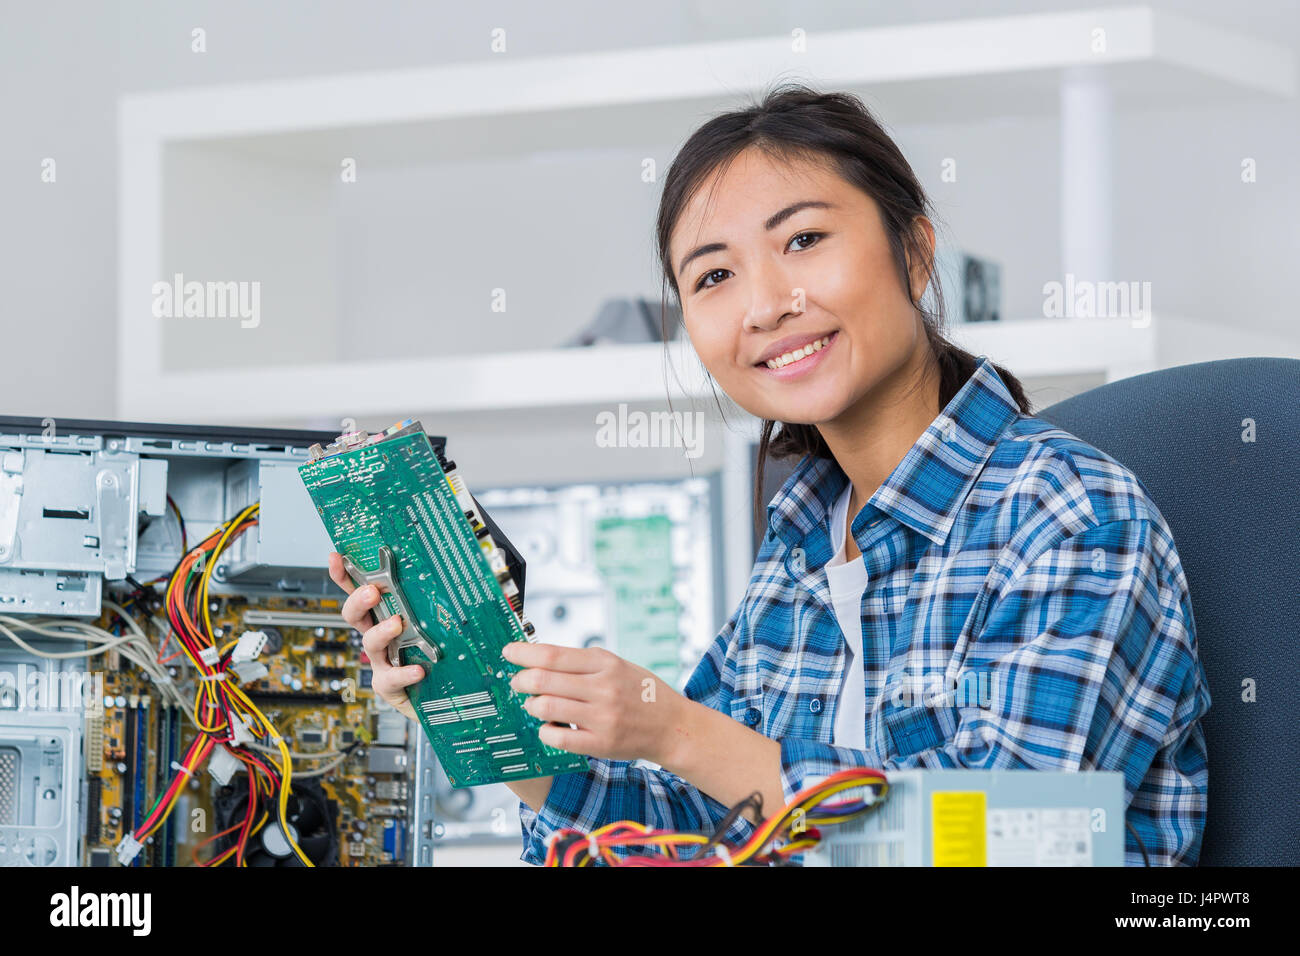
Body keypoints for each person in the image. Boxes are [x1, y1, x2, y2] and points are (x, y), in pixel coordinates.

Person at [328, 83, 1210, 867]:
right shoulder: (803, 547)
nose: (763, 304)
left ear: (915, 251)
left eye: (805, 239)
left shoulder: (1068, 513)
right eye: (714, 276)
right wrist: (487, 706)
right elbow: (689, 823)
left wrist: (674, 727)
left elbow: (1017, 843)